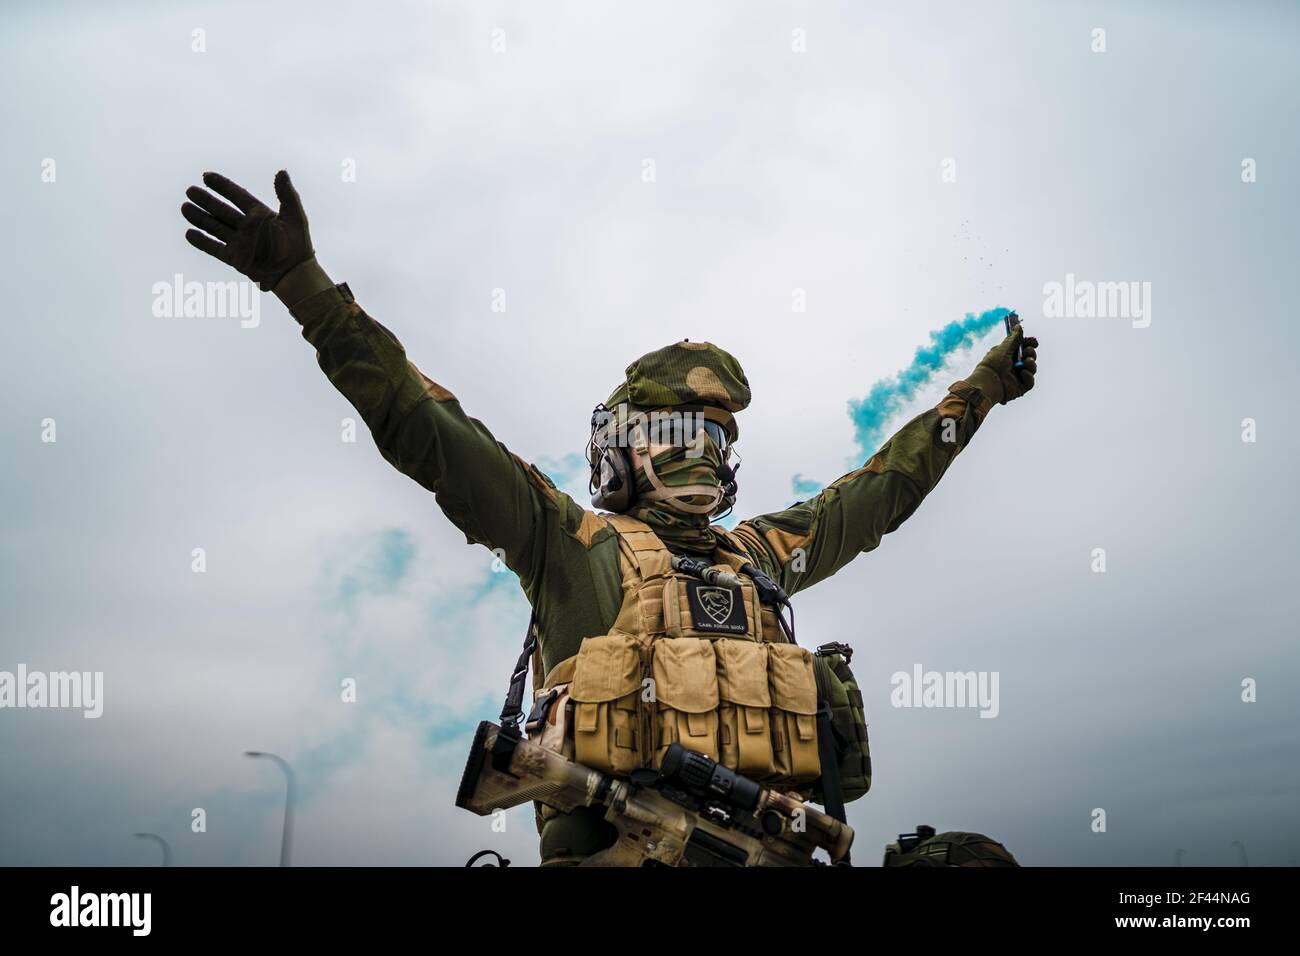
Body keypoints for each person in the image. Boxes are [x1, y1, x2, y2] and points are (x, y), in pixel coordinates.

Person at [181, 170, 1040, 865]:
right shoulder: (573, 542)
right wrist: (303, 285)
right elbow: (423, 424)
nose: (698, 454)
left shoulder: (761, 557)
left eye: (713, 436)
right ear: (619, 451)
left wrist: (985, 388)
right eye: (672, 434)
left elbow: (885, 487)